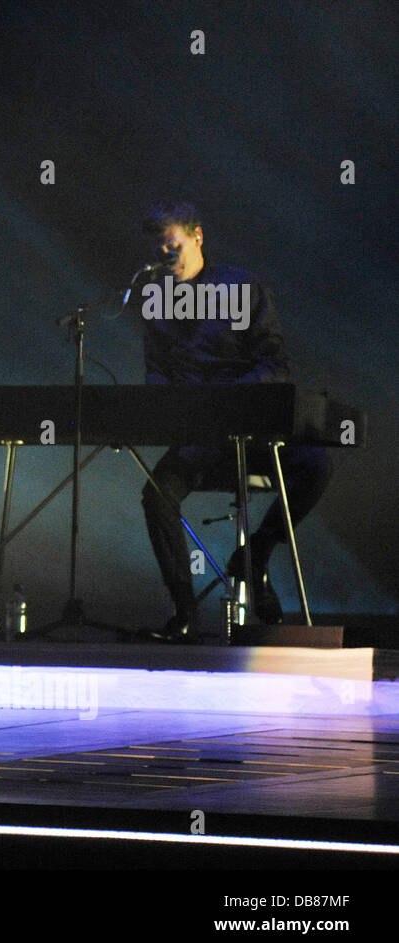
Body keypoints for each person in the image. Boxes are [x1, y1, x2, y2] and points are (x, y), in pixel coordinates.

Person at [137, 200, 332, 643]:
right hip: (200, 436)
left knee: (316, 466)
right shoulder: (156, 299)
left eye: (174, 247)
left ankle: (256, 554)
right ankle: (183, 610)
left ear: (197, 236)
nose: (166, 260)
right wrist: (162, 405)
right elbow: (156, 370)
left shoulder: (242, 286)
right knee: (156, 496)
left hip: (252, 429)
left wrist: (232, 399)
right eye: (159, 252)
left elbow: (275, 362)